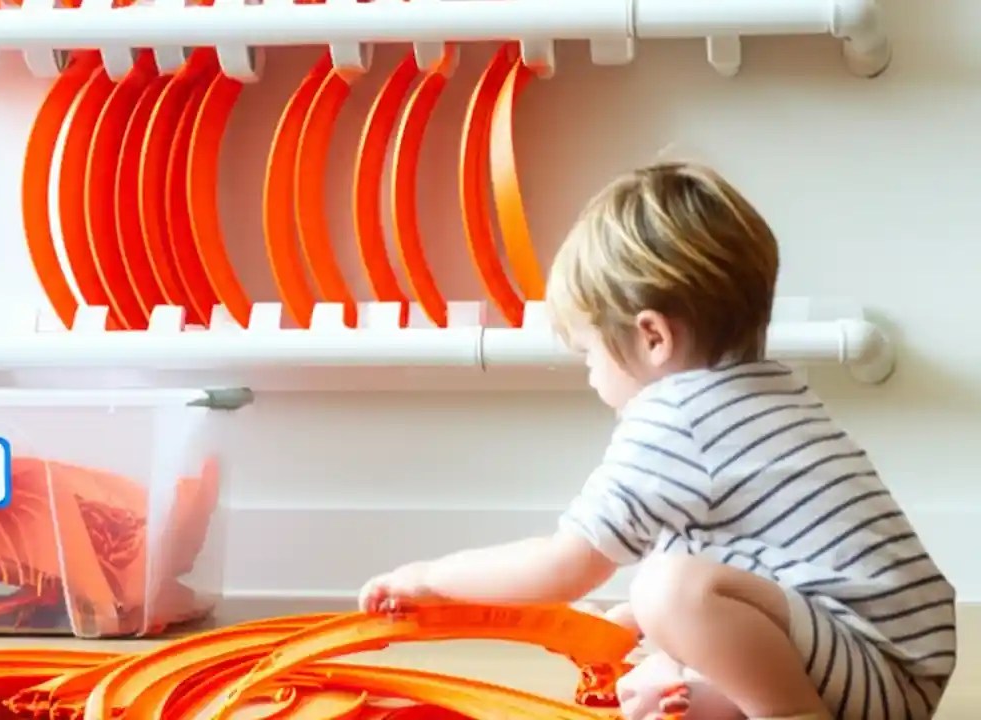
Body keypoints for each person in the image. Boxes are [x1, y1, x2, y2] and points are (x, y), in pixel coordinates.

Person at [357, 162, 956, 720]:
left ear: (652, 337)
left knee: (666, 586)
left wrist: (432, 577)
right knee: (658, 639)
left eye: (588, 352)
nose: (591, 373)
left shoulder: (677, 418)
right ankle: (714, 696)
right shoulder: (768, 392)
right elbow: (752, 567)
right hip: (895, 660)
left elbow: (563, 566)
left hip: (874, 669)